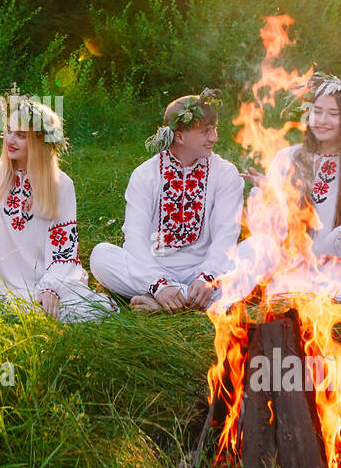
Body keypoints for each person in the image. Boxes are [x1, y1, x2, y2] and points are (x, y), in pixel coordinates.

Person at [217, 72, 341, 315]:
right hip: (295, 265)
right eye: (317, 111)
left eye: (333, 114)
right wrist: (271, 196)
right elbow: (271, 232)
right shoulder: (287, 157)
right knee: (287, 300)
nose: (321, 120)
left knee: (335, 302)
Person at [0, 90, 117, 322]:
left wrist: (50, 289)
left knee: (93, 309)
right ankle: (7, 307)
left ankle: (24, 308)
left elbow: (64, 250)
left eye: (20, 135)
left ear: (40, 140)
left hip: (42, 282)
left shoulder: (61, 185)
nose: (10, 140)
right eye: (8, 132)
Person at [90, 89, 245, 312]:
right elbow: (135, 237)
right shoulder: (145, 175)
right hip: (155, 269)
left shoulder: (225, 173)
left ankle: (166, 305)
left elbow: (226, 234)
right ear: (179, 136)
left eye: (215, 129)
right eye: (206, 131)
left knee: (263, 248)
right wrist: (159, 284)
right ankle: (191, 301)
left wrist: (207, 277)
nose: (215, 138)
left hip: (205, 272)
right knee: (101, 256)